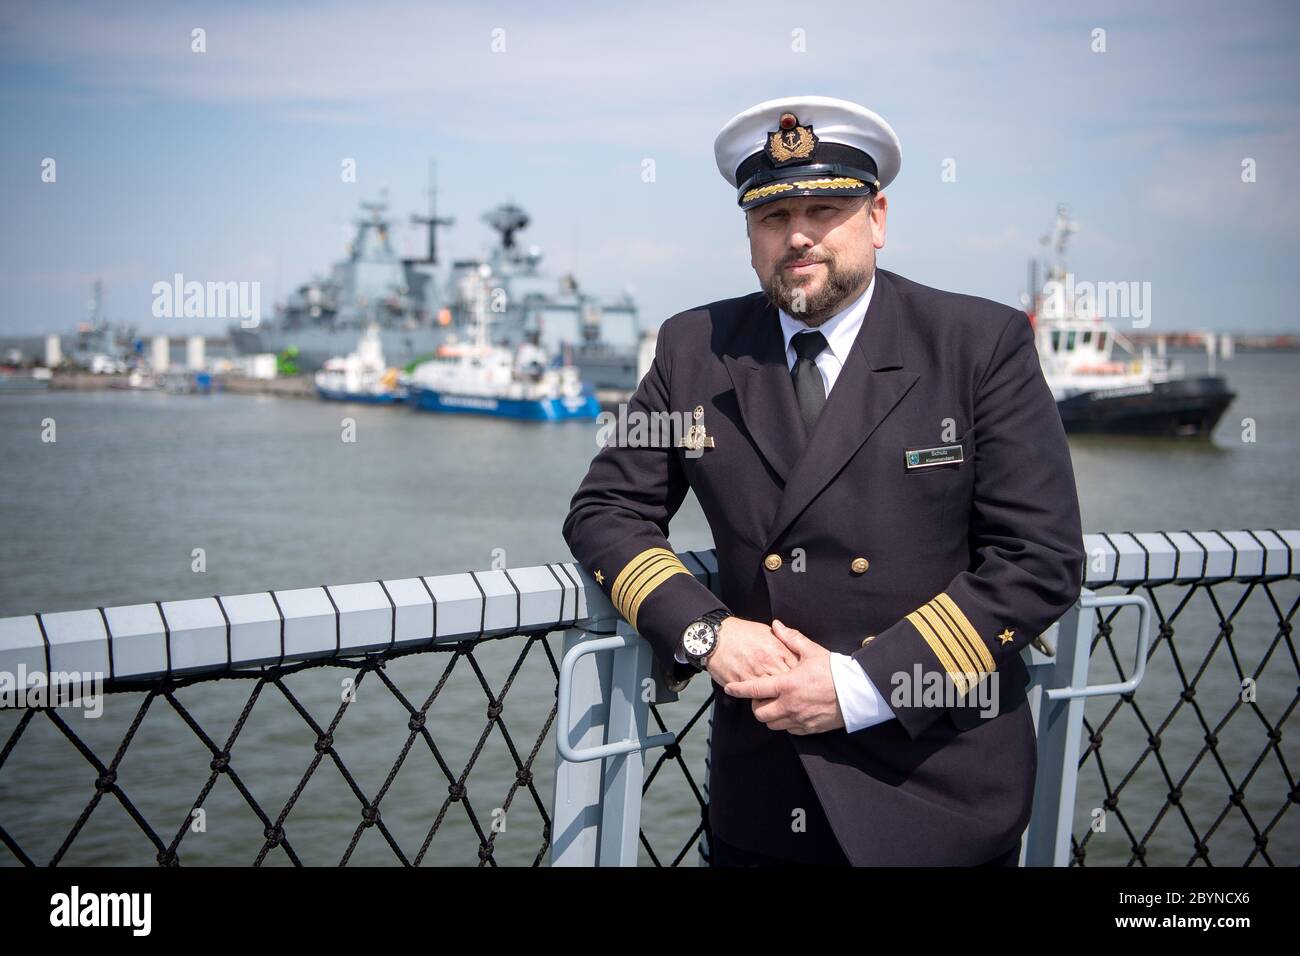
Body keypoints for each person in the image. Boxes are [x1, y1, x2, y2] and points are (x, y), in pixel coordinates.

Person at [561, 95, 1085, 866]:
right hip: (768, 787)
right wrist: (708, 632)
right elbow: (607, 510)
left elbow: (1039, 559)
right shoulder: (694, 350)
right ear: (749, 238)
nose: (798, 235)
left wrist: (858, 687)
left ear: (877, 219)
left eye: (825, 209)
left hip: (936, 787)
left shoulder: (977, 345)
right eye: (774, 218)